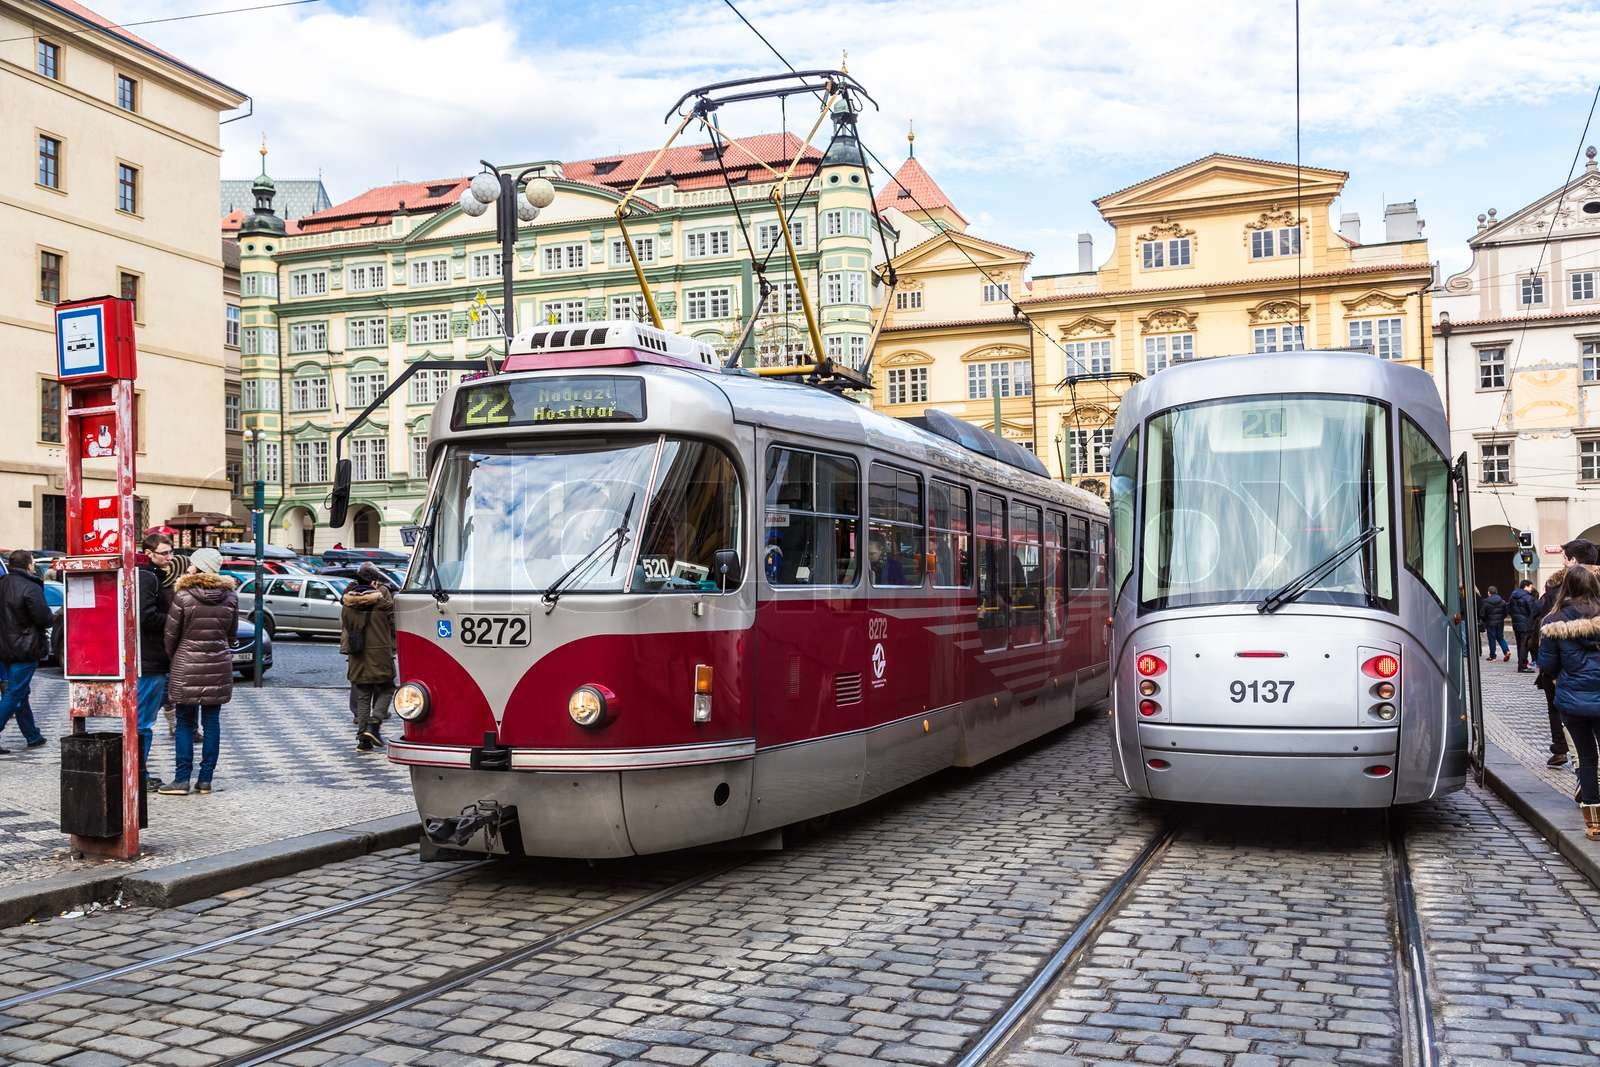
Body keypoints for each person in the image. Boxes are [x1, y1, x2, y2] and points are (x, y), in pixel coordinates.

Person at [158, 548, 237, 796]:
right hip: (219, 665)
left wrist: (178, 658)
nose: (189, 567)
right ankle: (205, 780)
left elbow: (170, 637)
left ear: (199, 567)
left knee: (184, 723)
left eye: (192, 564)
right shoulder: (231, 597)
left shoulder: (182, 596)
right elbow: (231, 635)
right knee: (212, 723)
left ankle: (181, 780)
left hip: (186, 665)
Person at [1537, 564, 1600, 838]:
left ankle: (1594, 823)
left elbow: (1547, 665)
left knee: (1586, 758)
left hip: (1572, 700)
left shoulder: (1553, 623)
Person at [340, 562, 395, 751]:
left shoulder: (347, 603)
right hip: (379, 652)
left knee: (363, 694)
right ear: (373, 580)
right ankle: (375, 723)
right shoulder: (382, 601)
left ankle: (363, 739)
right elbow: (394, 620)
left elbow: (346, 627)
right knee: (388, 688)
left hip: (357, 654)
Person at [0, 550, 50, 754]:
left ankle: (32, 736)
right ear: (29, 564)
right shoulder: (30, 586)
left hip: (3, 647)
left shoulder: (1, 584)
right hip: (24, 647)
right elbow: (43, 618)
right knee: (15, 693)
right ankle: (31, 735)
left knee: (20, 693)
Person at [136, 534, 177, 788]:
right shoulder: (147, 576)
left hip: (153, 658)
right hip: (149, 658)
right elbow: (145, 616)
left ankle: (139, 771)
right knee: (143, 721)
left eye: (171, 552)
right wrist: (174, 620)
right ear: (149, 552)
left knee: (145, 720)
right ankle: (139, 773)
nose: (169, 558)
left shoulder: (154, 575)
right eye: (164, 553)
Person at [1535, 569, 1570, 768]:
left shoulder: (1551, 604)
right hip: (1579, 666)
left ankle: (1560, 748)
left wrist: (1547, 670)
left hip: (1556, 663)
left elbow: (1539, 623)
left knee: (1556, 709)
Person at [1510, 579, 1539, 673]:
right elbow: (1534, 611)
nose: (1531, 589)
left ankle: (1521, 664)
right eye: (1531, 586)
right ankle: (1522, 666)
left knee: (1520, 645)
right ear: (1526, 586)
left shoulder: (1513, 596)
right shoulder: (1527, 597)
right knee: (1525, 645)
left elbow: (1509, 609)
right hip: (1526, 625)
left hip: (1516, 624)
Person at [1480, 585, 1510, 662]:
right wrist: (1501, 618)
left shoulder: (1486, 602)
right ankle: (1506, 651)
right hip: (1500, 622)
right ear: (1496, 592)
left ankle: (1492, 656)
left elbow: (1482, 614)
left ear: (1489, 593)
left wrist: (1485, 620)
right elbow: (1506, 612)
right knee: (1500, 637)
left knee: (1491, 639)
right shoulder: (1502, 601)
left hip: (1490, 623)